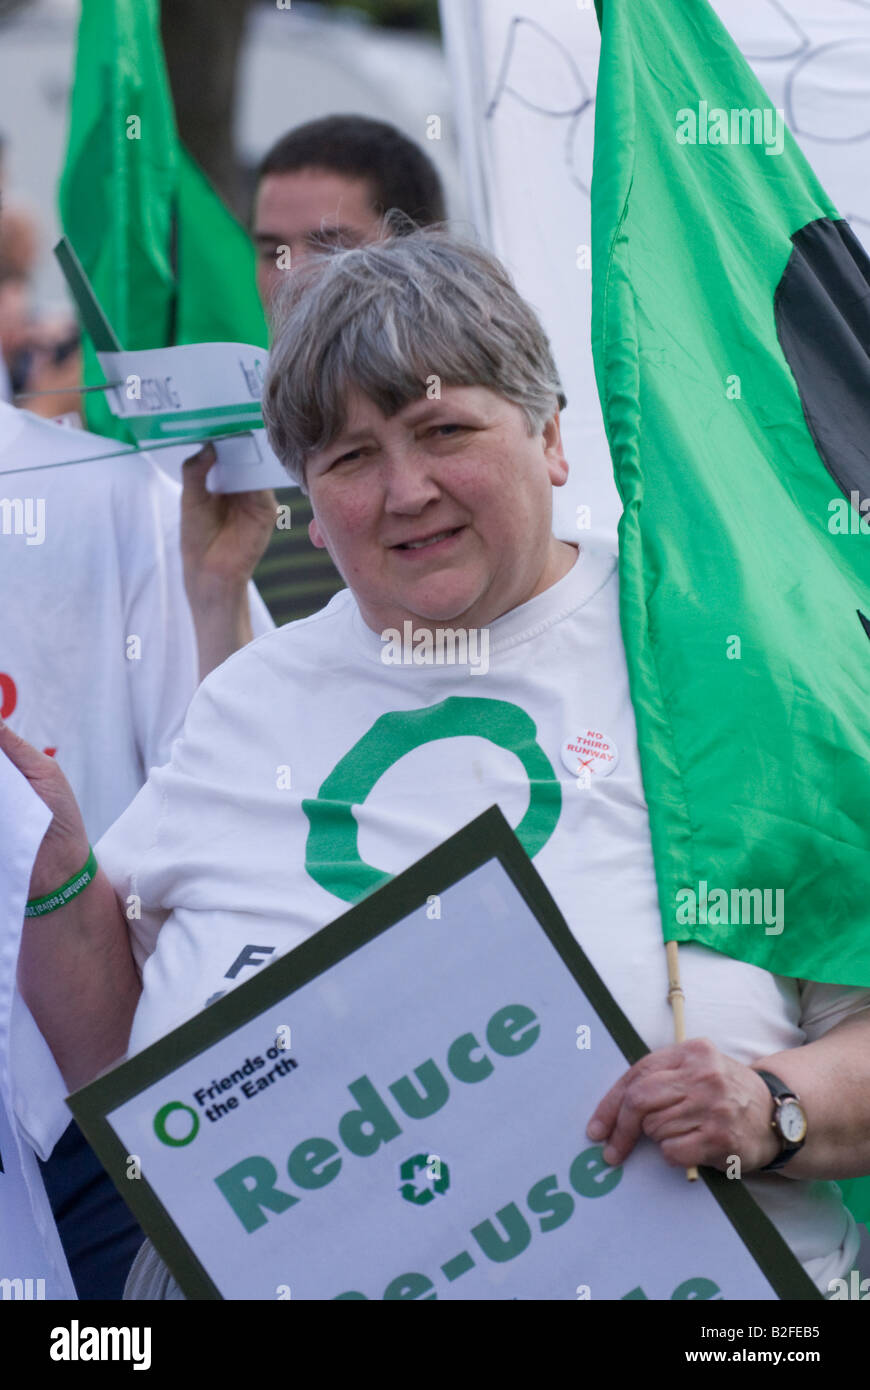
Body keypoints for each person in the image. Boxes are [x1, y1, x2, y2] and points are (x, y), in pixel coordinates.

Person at [4, 228, 869, 1299]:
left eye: (443, 428)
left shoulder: (718, 671)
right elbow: (126, 1082)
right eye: (351, 458)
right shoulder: (248, 702)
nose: (406, 489)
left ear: (552, 438)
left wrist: (772, 1107)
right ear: (311, 505)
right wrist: (59, 877)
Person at [249, 115, 447, 626]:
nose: (292, 274)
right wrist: (216, 592)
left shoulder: (506, 412)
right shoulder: (227, 456)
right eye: (274, 251)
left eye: (330, 244)